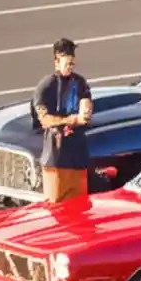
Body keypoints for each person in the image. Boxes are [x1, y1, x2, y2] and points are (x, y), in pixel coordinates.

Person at [32, 38, 92, 203]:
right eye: (67, 63)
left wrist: (85, 111)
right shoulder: (46, 86)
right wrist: (70, 120)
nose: (70, 67)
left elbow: (85, 104)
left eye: (72, 63)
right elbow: (44, 119)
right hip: (56, 156)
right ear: (56, 63)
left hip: (78, 154)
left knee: (79, 203)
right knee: (57, 204)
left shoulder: (80, 83)